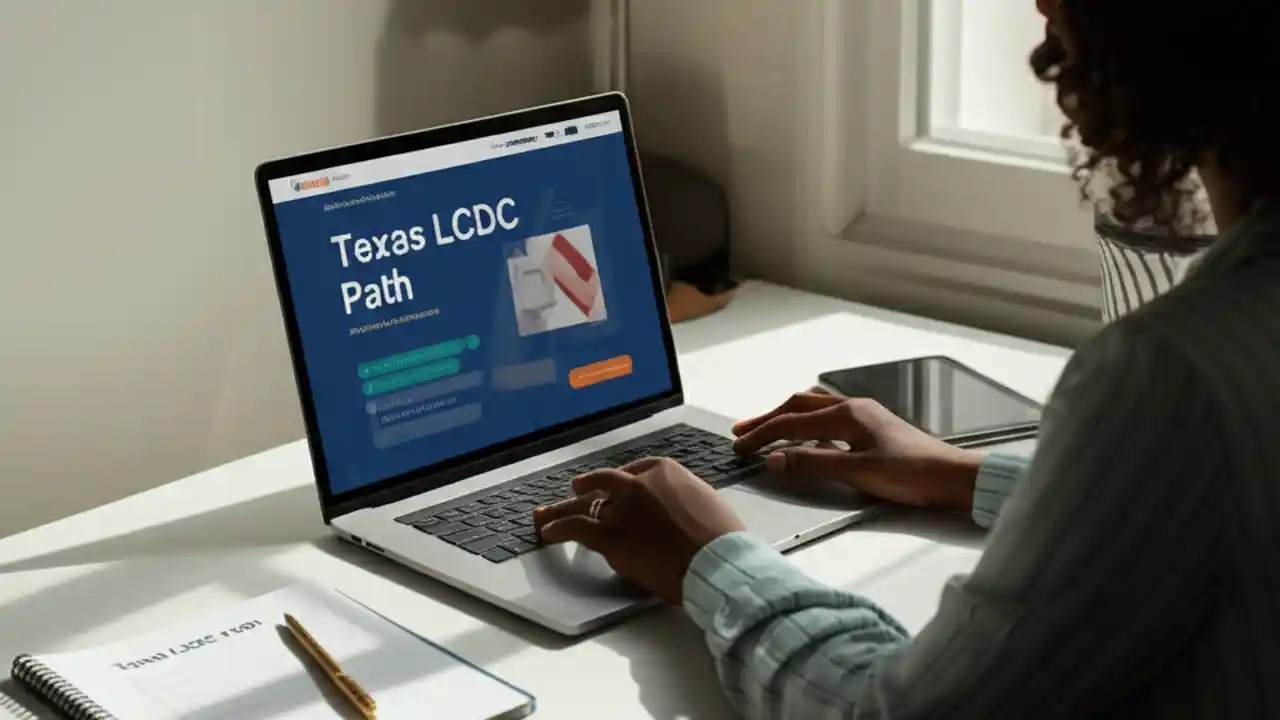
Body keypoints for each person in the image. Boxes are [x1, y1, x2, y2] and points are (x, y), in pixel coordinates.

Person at [532, 0, 1280, 716]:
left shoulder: (1170, 375)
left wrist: (707, 557)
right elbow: (1184, 521)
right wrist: (962, 475)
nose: (1044, 11)